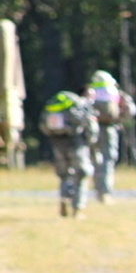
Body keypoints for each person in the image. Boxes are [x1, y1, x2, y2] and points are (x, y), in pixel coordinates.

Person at [39, 90, 97, 218]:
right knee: (82, 173)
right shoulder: (81, 105)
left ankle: (65, 198)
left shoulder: (56, 104)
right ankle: (77, 209)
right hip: (76, 143)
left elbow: (43, 126)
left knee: (65, 175)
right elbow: (91, 128)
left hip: (58, 144)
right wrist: (89, 141)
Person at [86, 70, 136, 203]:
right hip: (110, 128)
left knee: (90, 160)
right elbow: (131, 109)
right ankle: (104, 193)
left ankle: (86, 190)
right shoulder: (114, 91)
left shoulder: (91, 91)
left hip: (91, 129)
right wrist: (120, 118)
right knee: (107, 160)